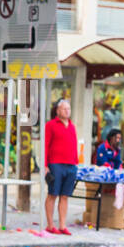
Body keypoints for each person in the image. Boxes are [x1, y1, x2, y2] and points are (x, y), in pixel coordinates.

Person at [43, 98, 79, 235]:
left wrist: (76, 163)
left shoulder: (72, 126)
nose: (67, 111)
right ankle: (50, 224)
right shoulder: (51, 125)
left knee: (65, 196)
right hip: (55, 164)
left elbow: (74, 145)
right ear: (58, 110)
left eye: (68, 109)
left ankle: (63, 225)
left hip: (70, 165)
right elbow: (46, 145)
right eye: (64, 108)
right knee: (53, 194)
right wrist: (45, 165)